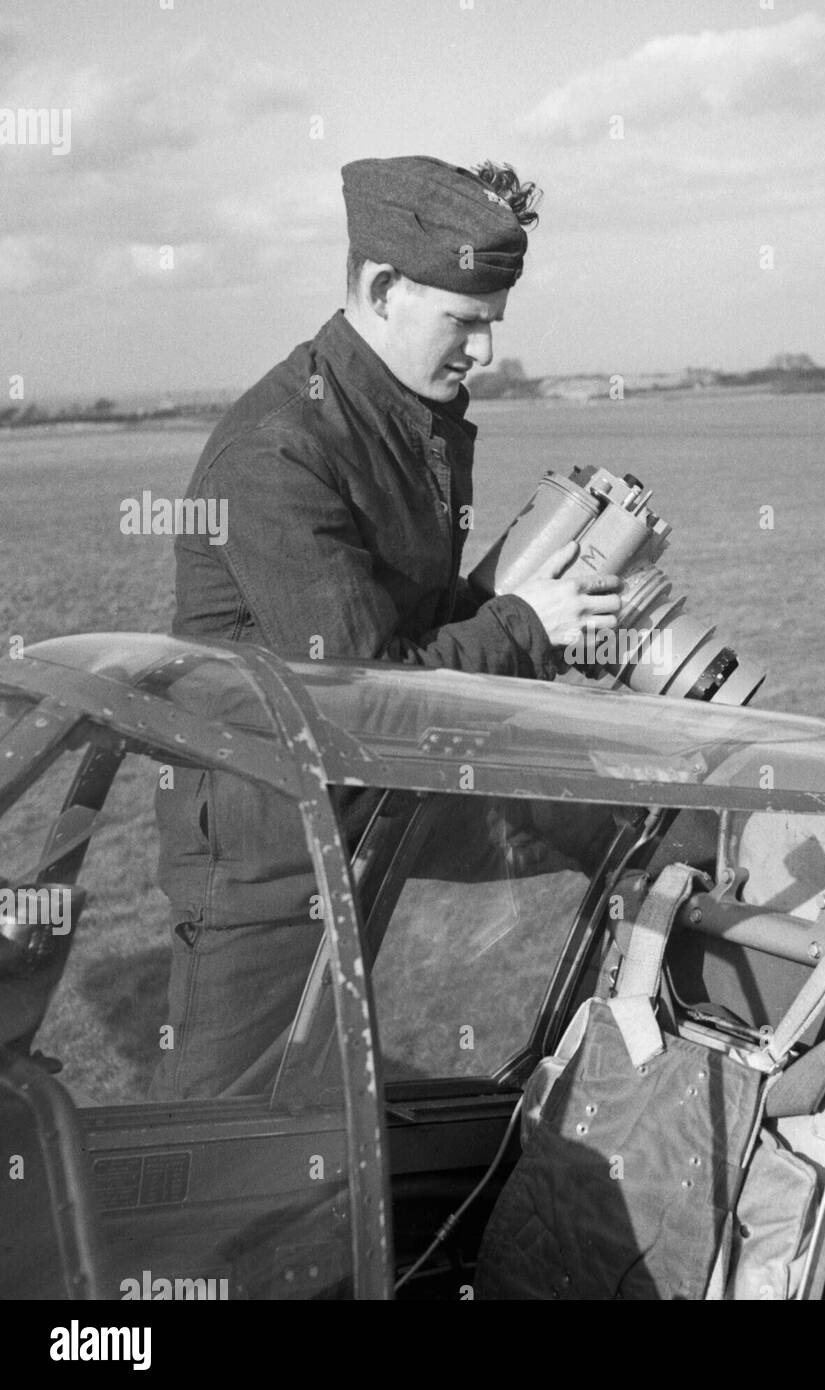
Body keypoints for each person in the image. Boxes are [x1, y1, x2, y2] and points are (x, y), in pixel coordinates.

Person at [152, 156, 622, 1100]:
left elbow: (408, 626)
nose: (484, 352)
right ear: (380, 287)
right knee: (222, 1137)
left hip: (376, 809)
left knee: (631, 825)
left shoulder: (404, 416)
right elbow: (367, 689)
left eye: (492, 324)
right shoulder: (279, 451)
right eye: (464, 321)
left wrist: (530, 585)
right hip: (272, 848)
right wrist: (529, 625)